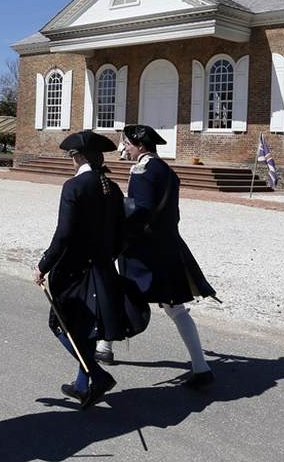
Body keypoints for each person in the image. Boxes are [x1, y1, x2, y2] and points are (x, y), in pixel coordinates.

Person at [95, 125, 219, 389]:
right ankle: (201, 366)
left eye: (127, 143)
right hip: (167, 246)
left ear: (140, 146)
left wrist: (117, 219)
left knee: (121, 294)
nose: (124, 148)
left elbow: (140, 211)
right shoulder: (166, 170)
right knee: (176, 308)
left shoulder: (141, 170)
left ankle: (104, 347)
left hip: (144, 251)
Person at [34, 130, 150, 410]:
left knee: (61, 325)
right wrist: (106, 257)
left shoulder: (73, 187)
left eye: (72, 157)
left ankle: (96, 375)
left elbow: (63, 234)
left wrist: (43, 266)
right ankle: (81, 385)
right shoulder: (111, 187)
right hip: (102, 268)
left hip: (73, 271)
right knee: (85, 328)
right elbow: (124, 235)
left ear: (78, 157)